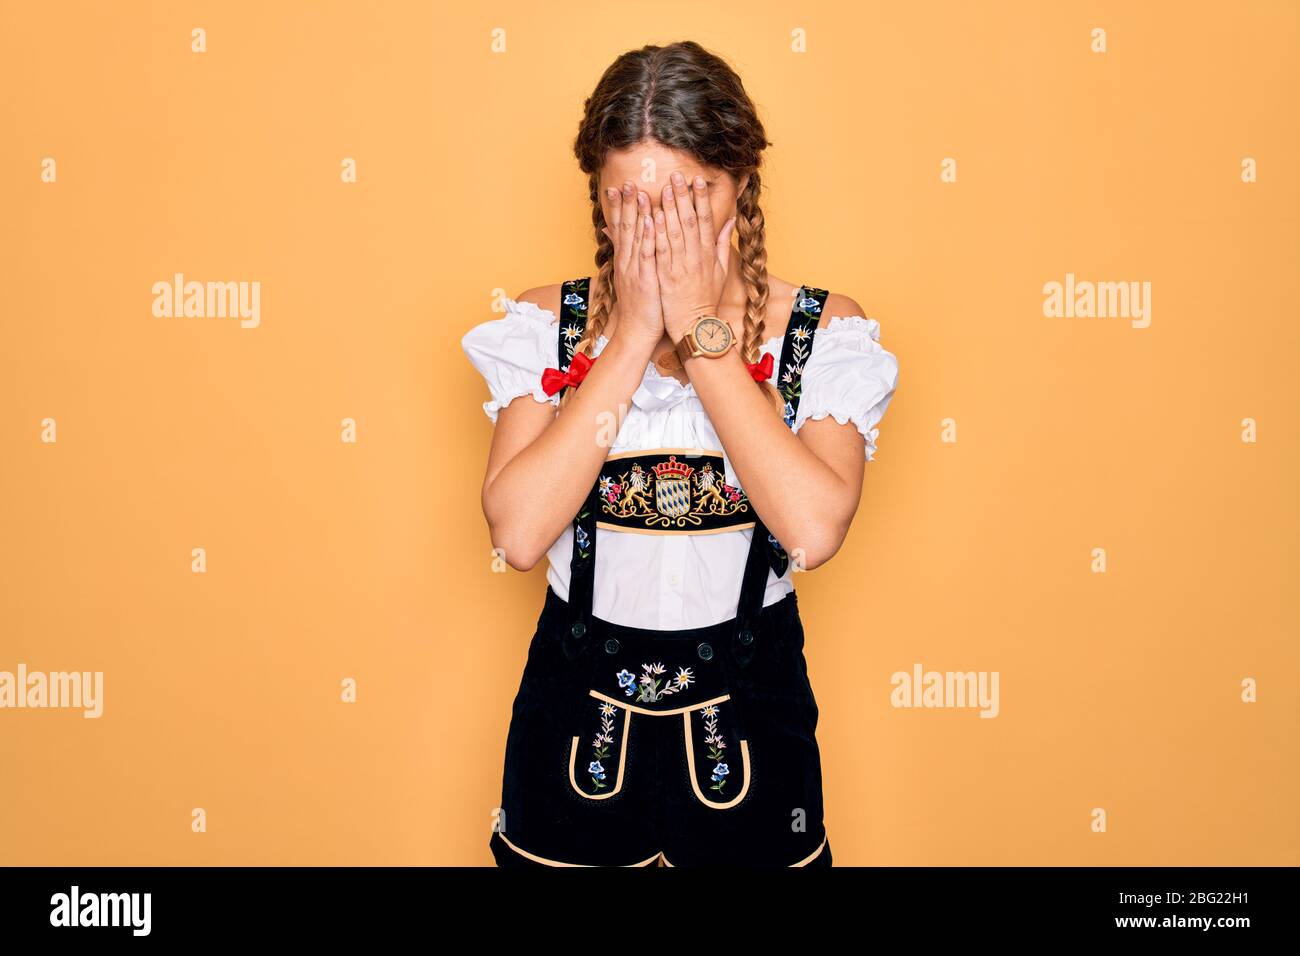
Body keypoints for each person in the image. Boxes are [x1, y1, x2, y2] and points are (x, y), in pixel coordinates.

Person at [461, 40, 900, 867]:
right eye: (629, 201)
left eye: (688, 199)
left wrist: (703, 336)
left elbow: (812, 529)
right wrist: (630, 335)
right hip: (571, 731)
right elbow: (517, 537)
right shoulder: (542, 323)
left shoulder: (823, 331)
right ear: (598, 198)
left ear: (741, 185)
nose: (657, 227)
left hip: (753, 728)